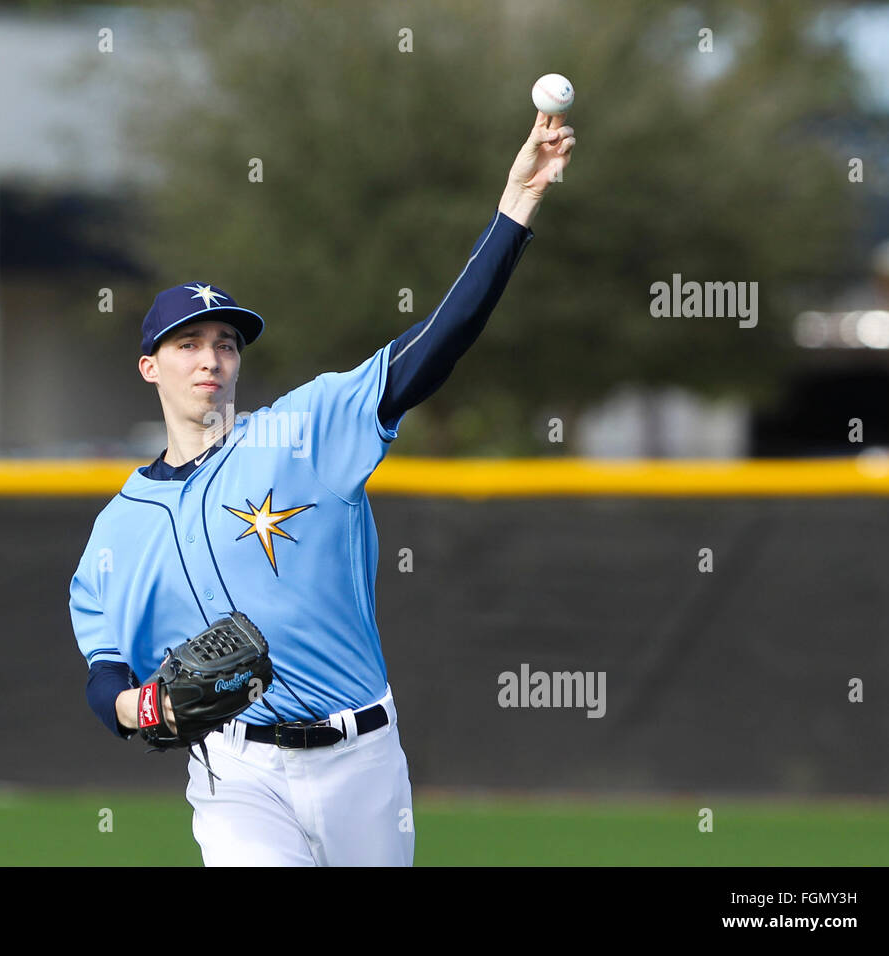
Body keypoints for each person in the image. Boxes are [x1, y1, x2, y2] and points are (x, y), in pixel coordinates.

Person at [69, 110, 575, 866]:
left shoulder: (303, 431)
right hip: (236, 772)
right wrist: (140, 705)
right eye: (188, 343)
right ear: (150, 366)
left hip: (362, 763)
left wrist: (516, 208)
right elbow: (106, 668)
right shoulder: (119, 527)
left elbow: (433, 345)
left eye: (226, 343)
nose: (211, 357)